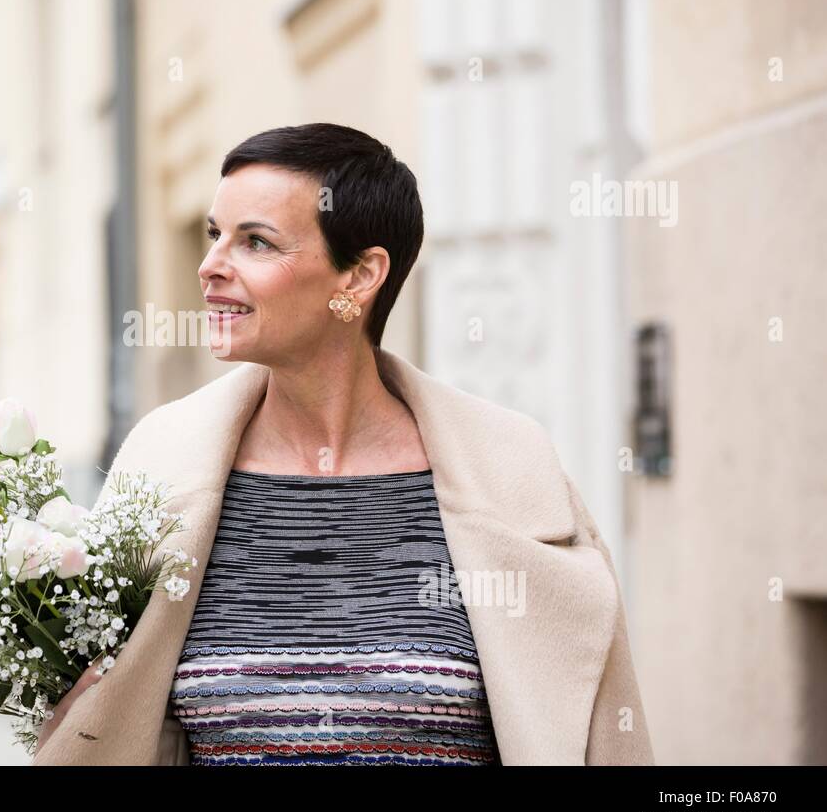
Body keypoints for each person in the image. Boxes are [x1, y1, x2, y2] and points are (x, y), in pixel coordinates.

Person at [34, 123, 653, 766]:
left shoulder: (515, 477)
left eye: (256, 242)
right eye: (215, 234)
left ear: (359, 276)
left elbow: (611, 740)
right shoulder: (161, 471)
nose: (211, 266)